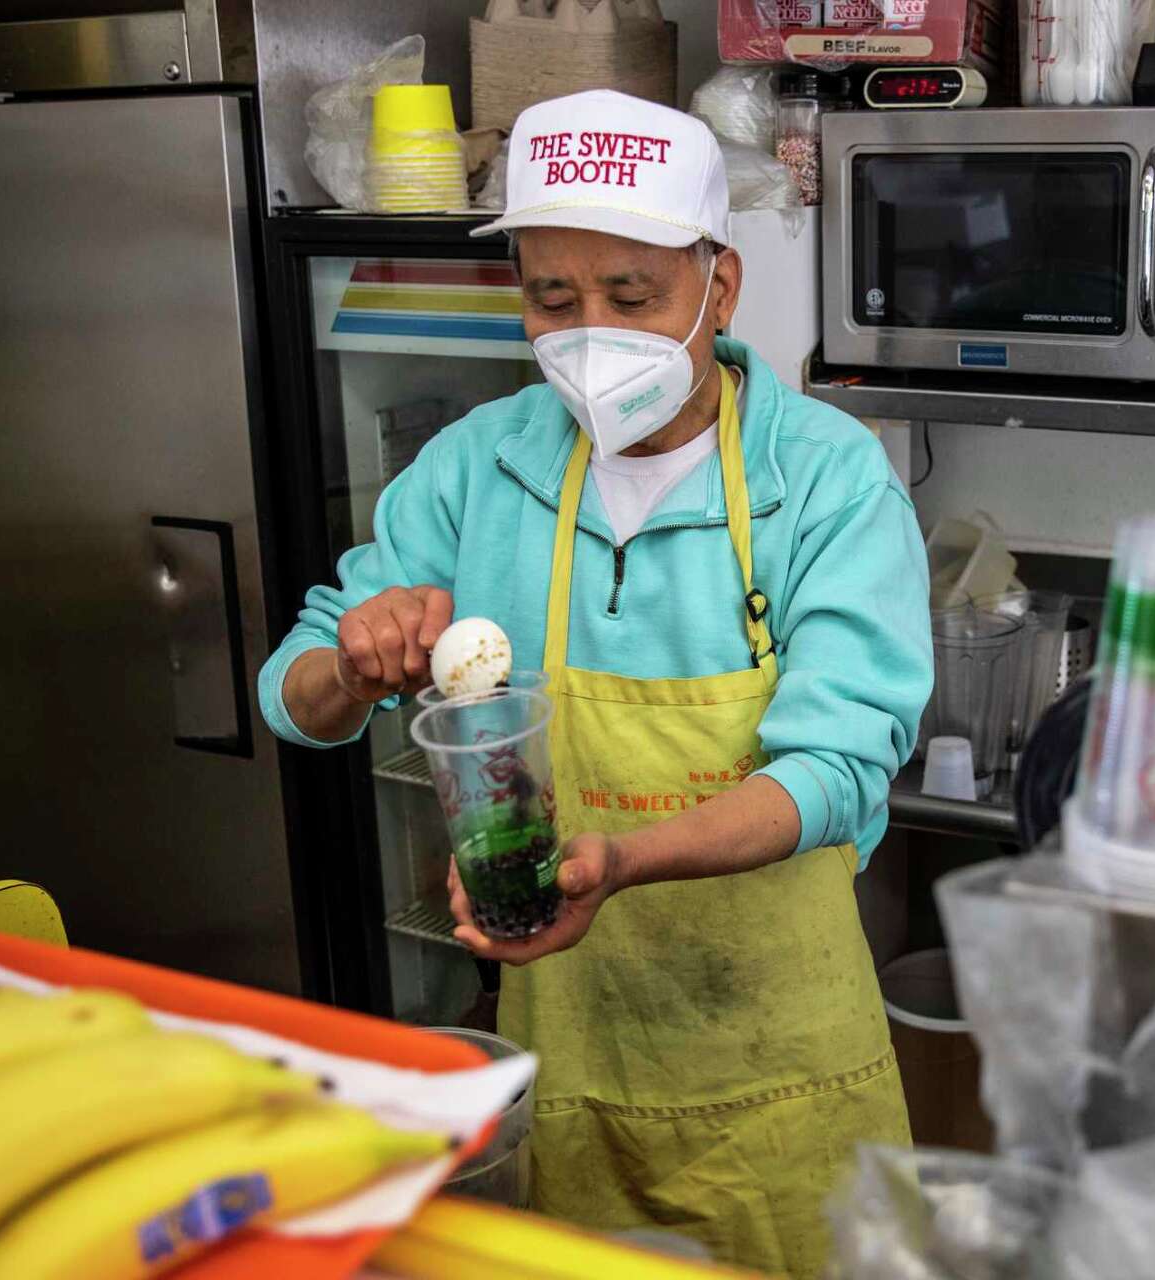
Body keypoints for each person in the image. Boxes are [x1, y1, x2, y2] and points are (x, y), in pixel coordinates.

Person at [259, 90, 930, 1277]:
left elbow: (836, 765)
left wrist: (620, 860)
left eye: (632, 297)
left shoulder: (824, 478)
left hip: (781, 1060)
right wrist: (352, 665)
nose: (588, 333)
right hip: (568, 1043)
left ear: (717, 288)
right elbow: (296, 692)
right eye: (551, 298)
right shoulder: (479, 464)